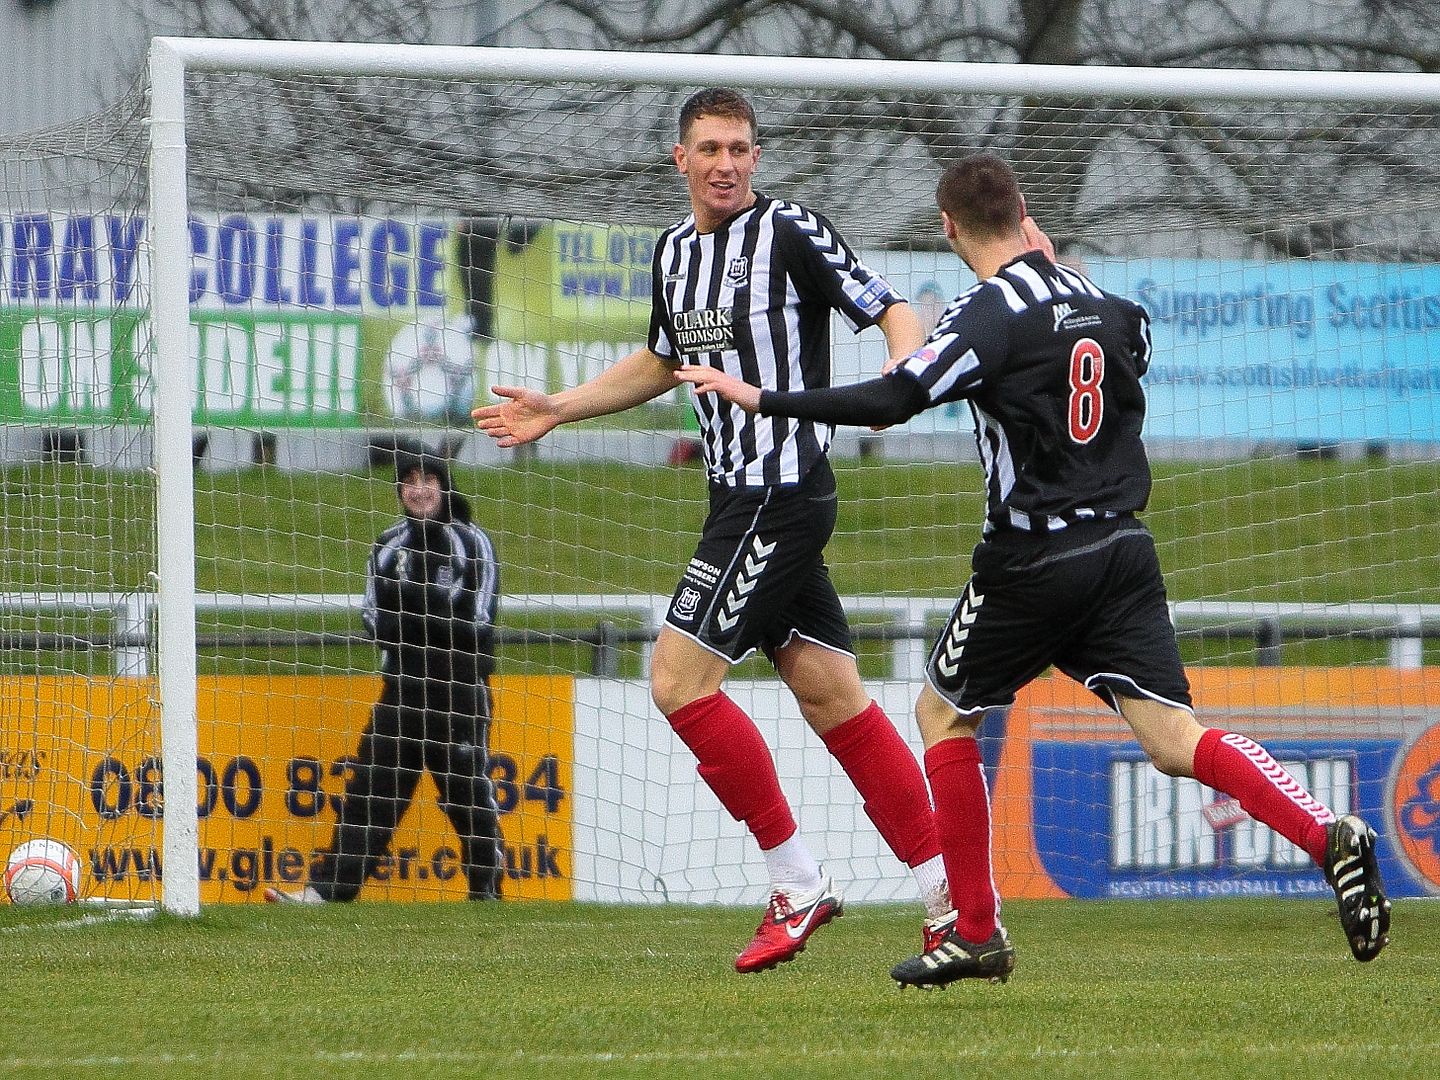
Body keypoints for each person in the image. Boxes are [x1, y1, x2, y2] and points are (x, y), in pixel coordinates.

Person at [677, 152, 1392, 987]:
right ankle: (1323, 831)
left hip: (1033, 556)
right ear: (1024, 212)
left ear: (948, 228)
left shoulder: (987, 316)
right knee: (1173, 740)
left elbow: (895, 400)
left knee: (943, 716)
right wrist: (1057, 277)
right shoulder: (1102, 300)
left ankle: (974, 929)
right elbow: (1137, 347)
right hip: (1125, 550)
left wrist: (766, 399)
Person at [474, 87, 950, 972]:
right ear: (680, 160)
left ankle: (797, 883)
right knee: (831, 694)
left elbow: (890, 308)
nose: (726, 163)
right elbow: (663, 361)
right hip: (736, 497)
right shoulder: (673, 254)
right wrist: (559, 409)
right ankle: (948, 900)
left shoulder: (791, 231)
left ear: (756, 158)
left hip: (780, 493)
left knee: (677, 682)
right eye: (710, 148)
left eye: (740, 148)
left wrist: (903, 372)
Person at [265, 451, 504, 903]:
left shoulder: (472, 542)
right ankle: (326, 892)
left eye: (428, 480)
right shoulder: (388, 544)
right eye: (409, 482)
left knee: (465, 793)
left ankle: (486, 893)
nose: (419, 489)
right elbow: (375, 619)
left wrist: (412, 604)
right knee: (370, 792)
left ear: (444, 485)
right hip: (402, 689)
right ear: (400, 492)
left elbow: (475, 621)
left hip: (458, 689)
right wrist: (420, 614)